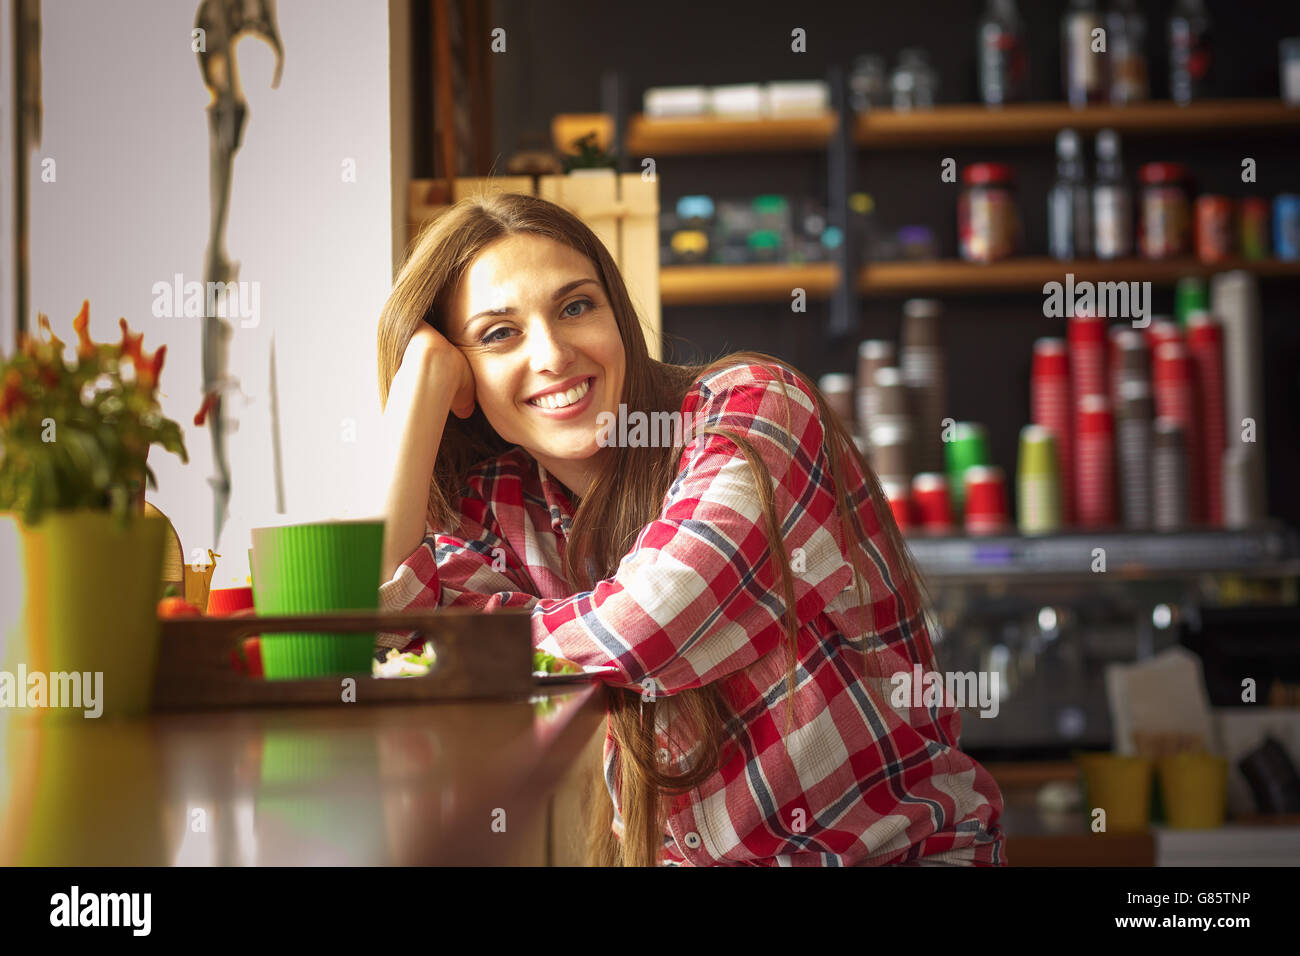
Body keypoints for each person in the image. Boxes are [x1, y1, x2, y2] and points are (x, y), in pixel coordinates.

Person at [375, 192, 1005, 867]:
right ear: (465, 382)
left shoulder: (755, 409)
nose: (553, 354)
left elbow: (647, 624)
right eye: (500, 333)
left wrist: (461, 639)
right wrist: (418, 393)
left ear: (619, 317)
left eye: (576, 307)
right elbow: (384, 630)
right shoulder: (502, 504)